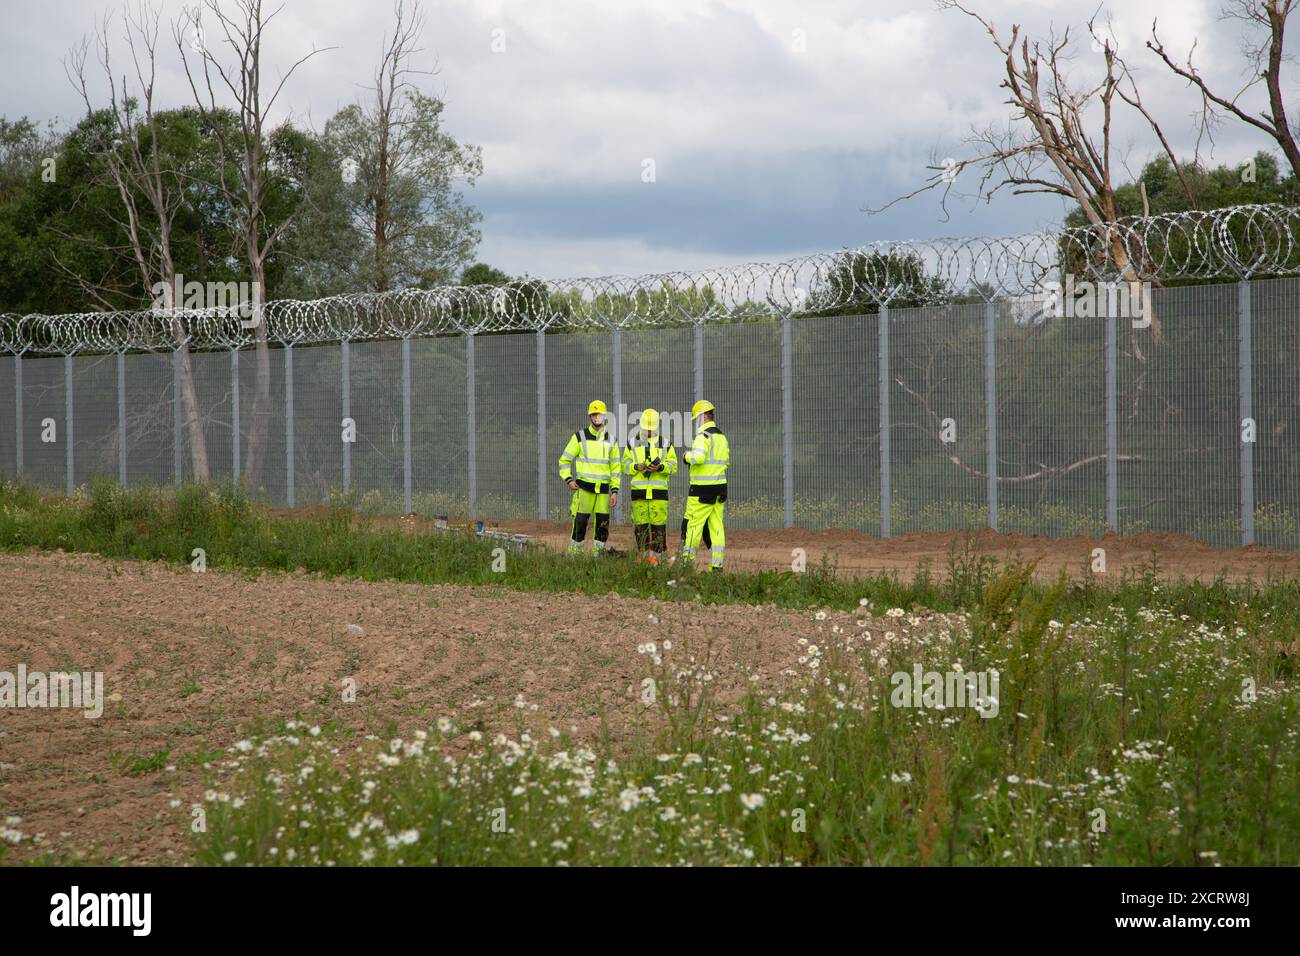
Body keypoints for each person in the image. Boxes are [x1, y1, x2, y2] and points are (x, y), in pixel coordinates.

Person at [557, 400, 621, 554]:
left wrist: (615, 491)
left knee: (602, 525)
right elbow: (564, 460)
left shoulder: (612, 440)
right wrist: (569, 479)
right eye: (594, 414)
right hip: (584, 489)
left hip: (603, 492)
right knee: (580, 523)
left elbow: (616, 468)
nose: (596, 417)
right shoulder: (579, 437)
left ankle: (597, 557)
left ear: (604, 417)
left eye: (599, 414)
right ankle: (574, 556)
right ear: (590, 417)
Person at [681, 399, 729, 571]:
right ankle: (717, 566)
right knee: (716, 526)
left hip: (702, 490)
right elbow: (726, 462)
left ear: (702, 417)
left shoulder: (703, 436)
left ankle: (686, 565)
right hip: (720, 487)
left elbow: (699, 457)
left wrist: (687, 456)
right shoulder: (721, 436)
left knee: (693, 526)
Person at [624, 408, 677, 559]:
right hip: (639, 493)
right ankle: (644, 560)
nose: (648, 430)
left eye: (650, 428)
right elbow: (624, 465)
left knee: (658, 528)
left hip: (658, 493)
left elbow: (673, 465)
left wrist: (660, 467)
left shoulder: (665, 444)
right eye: (646, 427)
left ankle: (658, 561)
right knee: (640, 528)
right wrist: (636, 467)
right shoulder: (632, 443)